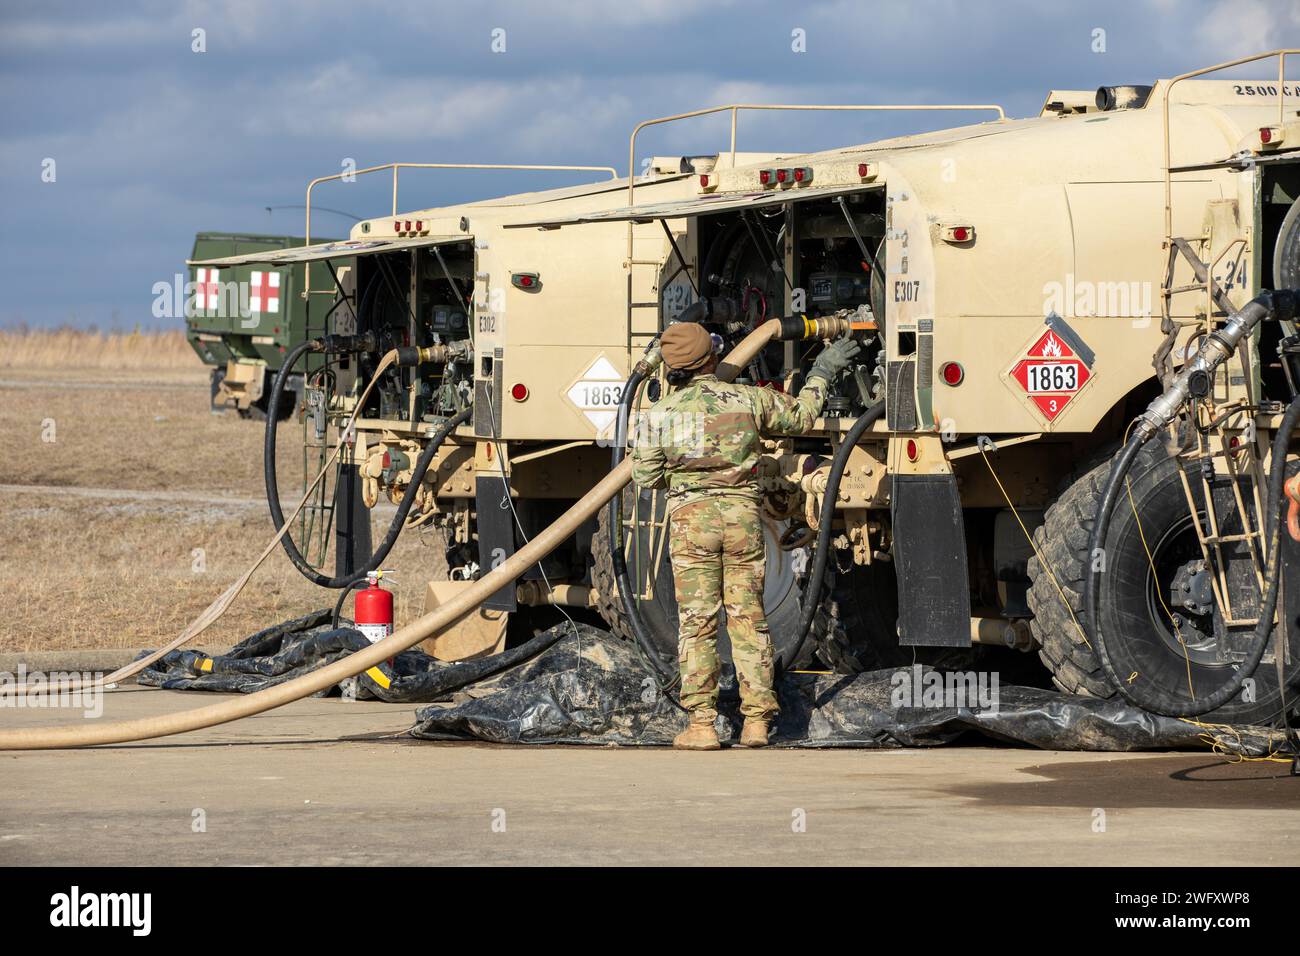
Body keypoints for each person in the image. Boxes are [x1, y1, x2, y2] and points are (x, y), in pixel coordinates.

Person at [631, 321, 861, 750]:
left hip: (690, 524)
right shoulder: (745, 399)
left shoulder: (659, 415)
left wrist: (688, 482)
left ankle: (701, 726)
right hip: (742, 520)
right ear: (710, 359)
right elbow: (800, 417)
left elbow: (645, 476)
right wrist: (822, 371)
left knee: (697, 623)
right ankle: (757, 722)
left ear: (672, 368)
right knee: (747, 617)